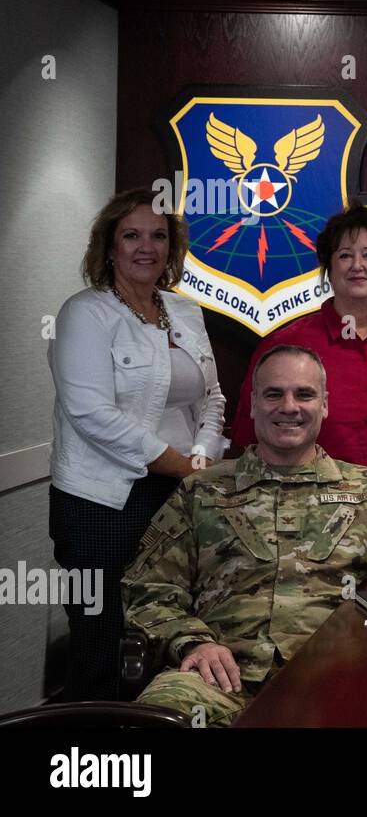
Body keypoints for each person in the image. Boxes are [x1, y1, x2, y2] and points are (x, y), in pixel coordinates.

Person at [123, 345, 367, 727]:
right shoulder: (200, 491)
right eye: (274, 394)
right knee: (155, 719)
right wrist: (193, 642)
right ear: (252, 405)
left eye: (304, 394)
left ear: (324, 405)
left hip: (335, 679)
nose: (289, 407)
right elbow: (149, 589)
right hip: (220, 677)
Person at [46, 188, 226, 702]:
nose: (146, 247)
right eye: (131, 235)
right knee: (102, 645)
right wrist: (183, 467)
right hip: (101, 506)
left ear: (172, 247)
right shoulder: (84, 313)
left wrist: (201, 460)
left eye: (158, 236)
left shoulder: (185, 311)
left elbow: (212, 397)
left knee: (174, 632)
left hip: (180, 497)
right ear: (109, 246)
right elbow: (91, 413)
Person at [231, 203, 367, 506]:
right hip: (310, 520)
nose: (357, 265)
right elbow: (247, 440)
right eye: (344, 255)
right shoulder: (285, 346)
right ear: (328, 269)